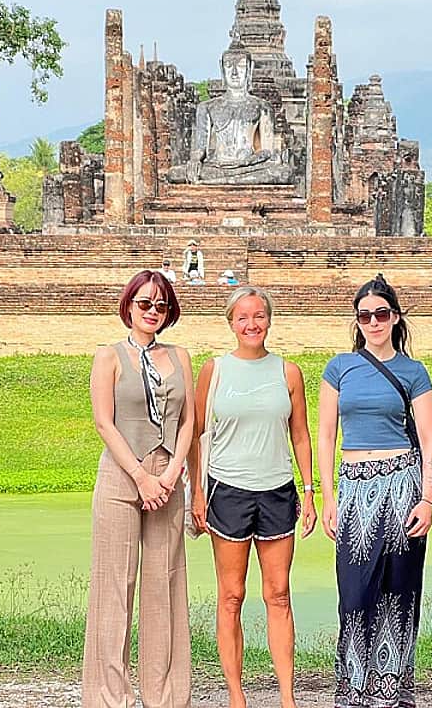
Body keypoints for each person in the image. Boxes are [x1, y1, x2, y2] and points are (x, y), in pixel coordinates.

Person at [188, 286, 317, 708]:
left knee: (278, 593)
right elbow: (195, 433)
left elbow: (300, 433)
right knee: (232, 595)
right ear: (231, 323)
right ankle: (237, 696)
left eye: (259, 316)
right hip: (227, 491)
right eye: (243, 317)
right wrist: (198, 492)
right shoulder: (215, 370)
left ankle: (286, 696)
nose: (252, 325)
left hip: (277, 490)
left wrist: (310, 490)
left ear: (270, 320)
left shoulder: (288, 372)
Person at [317, 274, 432, 708]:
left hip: (401, 482)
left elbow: (428, 438)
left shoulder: (413, 371)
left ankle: (391, 689)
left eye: (381, 314)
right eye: (365, 315)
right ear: (357, 321)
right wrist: (328, 497)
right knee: (354, 593)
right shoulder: (340, 368)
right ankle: (353, 688)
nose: (373, 322)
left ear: (395, 317)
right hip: (353, 484)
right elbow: (326, 434)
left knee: (399, 589)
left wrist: (427, 498)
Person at [83, 270, 195, 708]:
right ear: (129, 306)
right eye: (145, 303)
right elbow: (103, 422)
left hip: (168, 472)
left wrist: (170, 474)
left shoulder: (179, 355)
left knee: (163, 585)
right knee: (115, 584)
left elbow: (188, 420)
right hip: (122, 472)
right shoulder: (108, 357)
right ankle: (110, 696)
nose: (152, 311)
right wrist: (141, 477)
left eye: (161, 305)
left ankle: (165, 695)